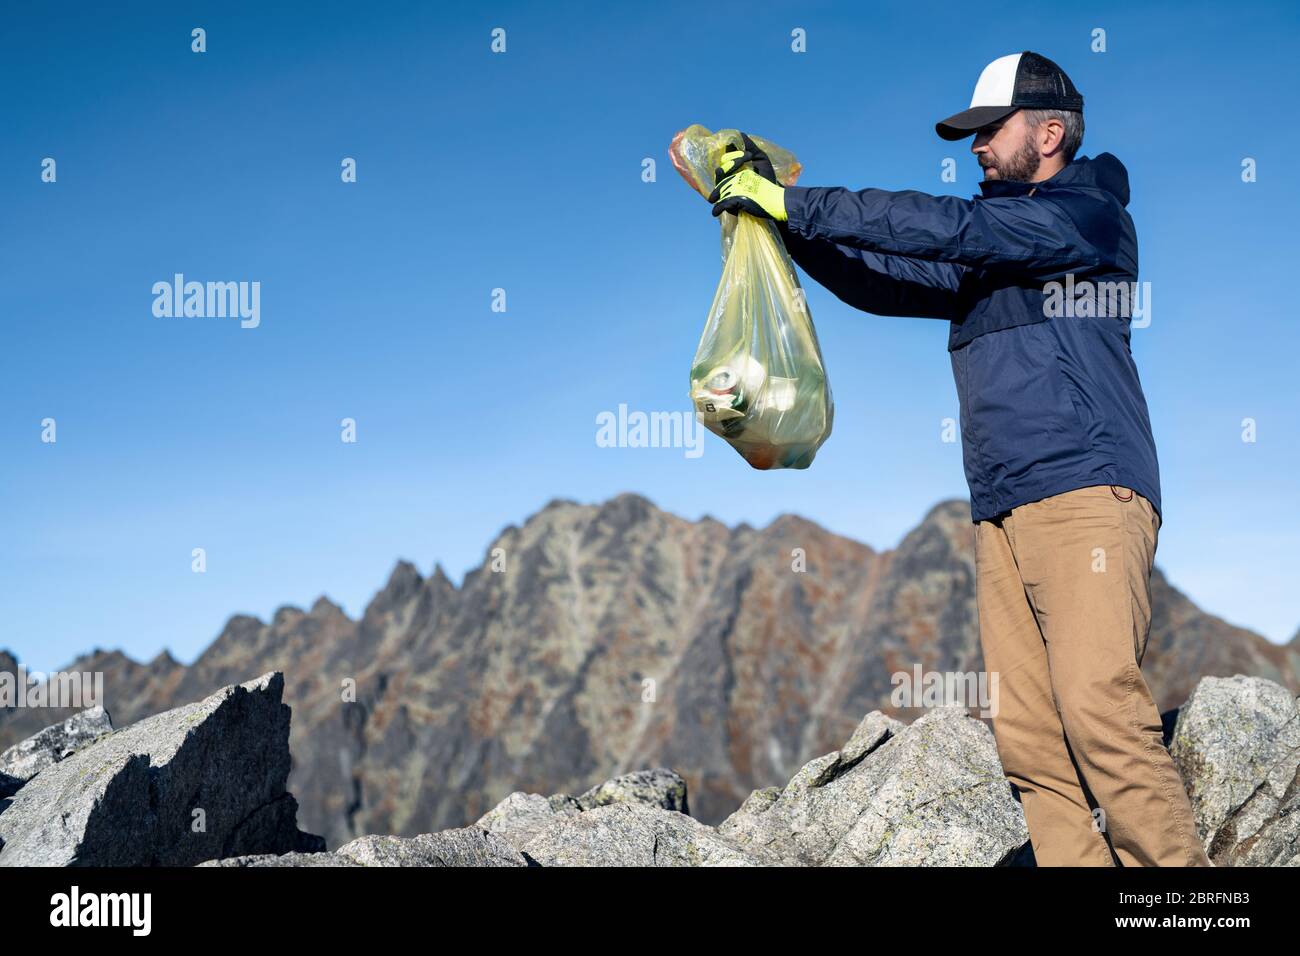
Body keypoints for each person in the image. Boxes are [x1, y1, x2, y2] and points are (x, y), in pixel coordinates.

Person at [707, 51, 1211, 867]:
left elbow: (953, 225)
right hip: (1002, 507)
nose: (974, 147)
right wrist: (783, 225)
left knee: (1098, 712)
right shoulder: (998, 252)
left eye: (988, 130)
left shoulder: (1085, 218)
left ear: (1050, 132)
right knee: (1031, 739)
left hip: (1085, 492)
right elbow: (881, 279)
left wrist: (800, 199)